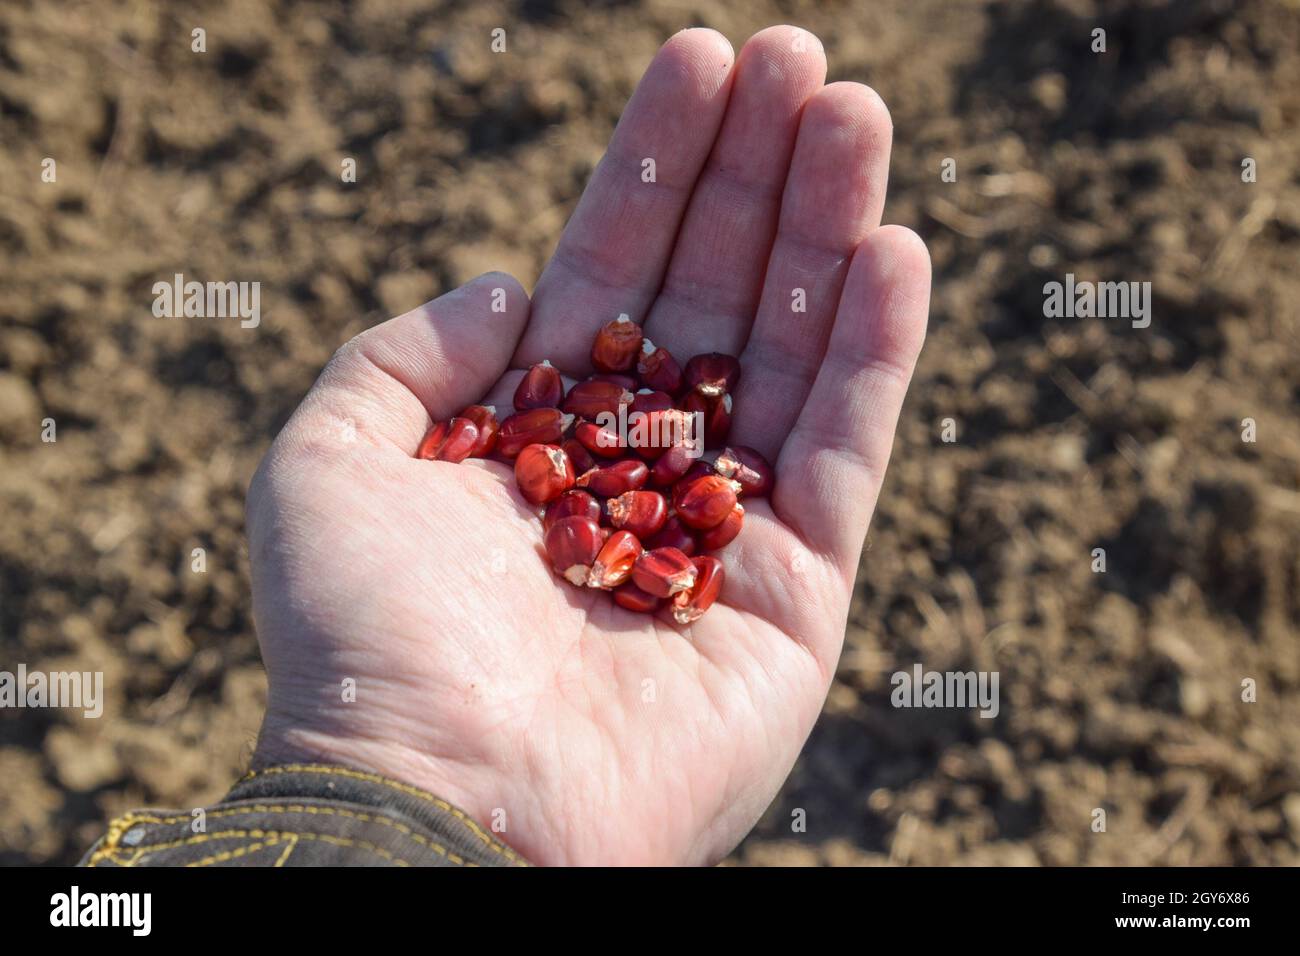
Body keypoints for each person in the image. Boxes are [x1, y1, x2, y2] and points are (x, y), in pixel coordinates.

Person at [81, 24, 930, 867]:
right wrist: (395, 764)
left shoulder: (632, 466)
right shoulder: (601, 466)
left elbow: (633, 478)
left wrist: (377, 778)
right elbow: (607, 473)